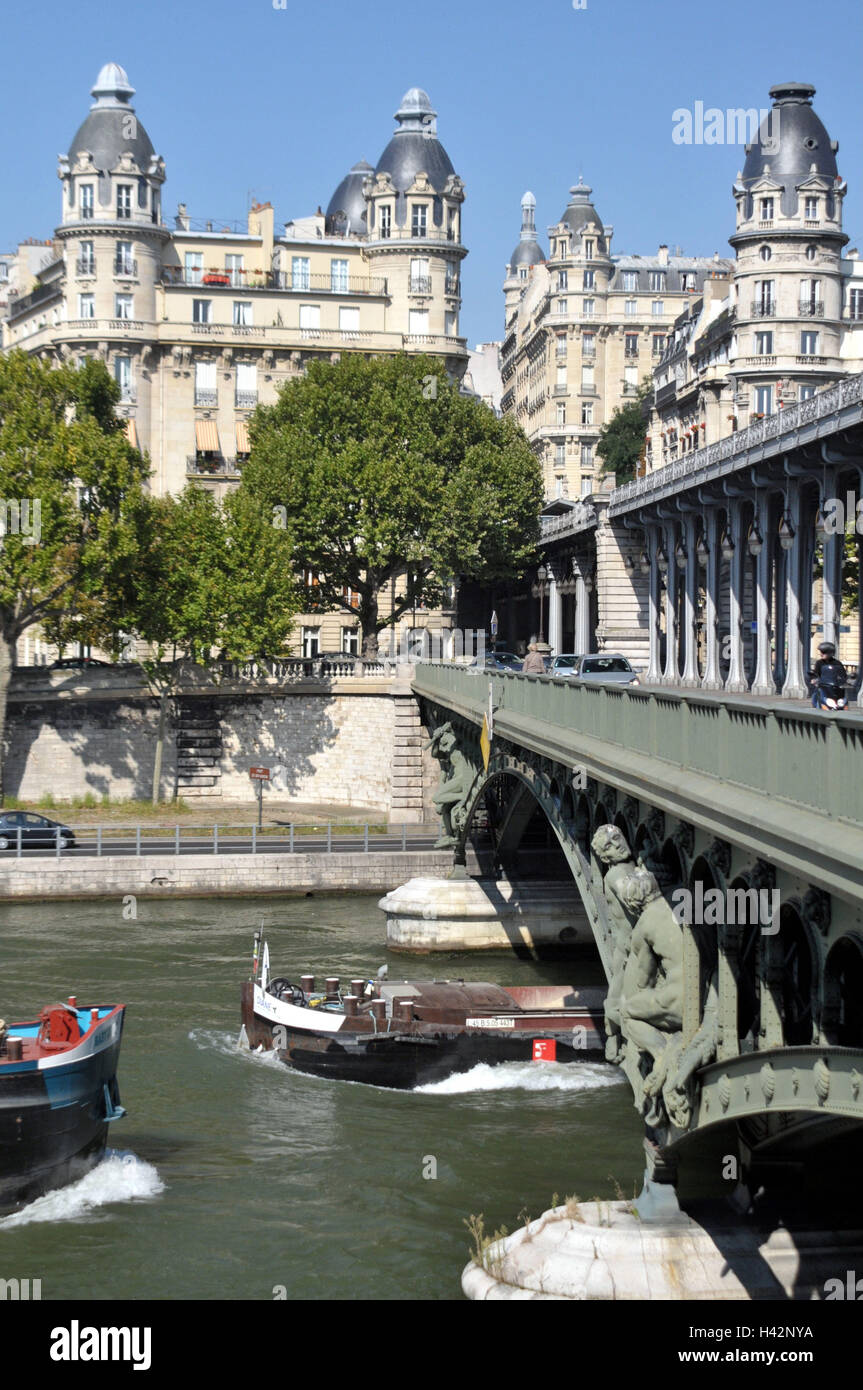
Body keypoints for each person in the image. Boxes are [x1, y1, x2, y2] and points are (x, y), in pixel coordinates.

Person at [809, 642, 847, 709]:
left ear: (831, 653)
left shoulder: (837, 663)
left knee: (843, 700)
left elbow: (843, 674)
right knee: (816, 696)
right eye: (821, 652)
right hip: (823, 686)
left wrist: (844, 680)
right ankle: (817, 708)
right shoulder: (819, 663)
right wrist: (814, 679)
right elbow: (816, 673)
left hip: (835, 687)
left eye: (823, 652)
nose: (821, 654)